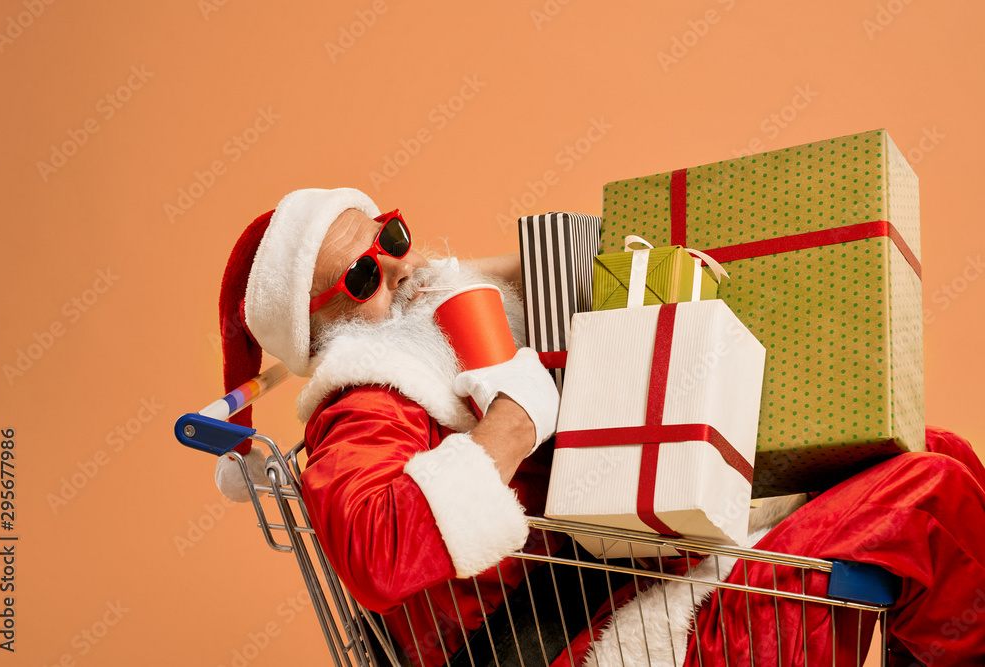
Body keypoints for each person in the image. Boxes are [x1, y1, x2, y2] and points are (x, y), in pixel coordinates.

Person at [216, 187, 985, 667]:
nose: (396, 267)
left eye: (391, 236)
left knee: (936, 449)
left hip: (625, 580)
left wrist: (476, 279)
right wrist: (517, 418)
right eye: (361, 276)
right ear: (325, 331)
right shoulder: (363, 402)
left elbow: (437, 283)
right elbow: (376, 552)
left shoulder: (428, 343)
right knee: (932, 493)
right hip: (597, 639)